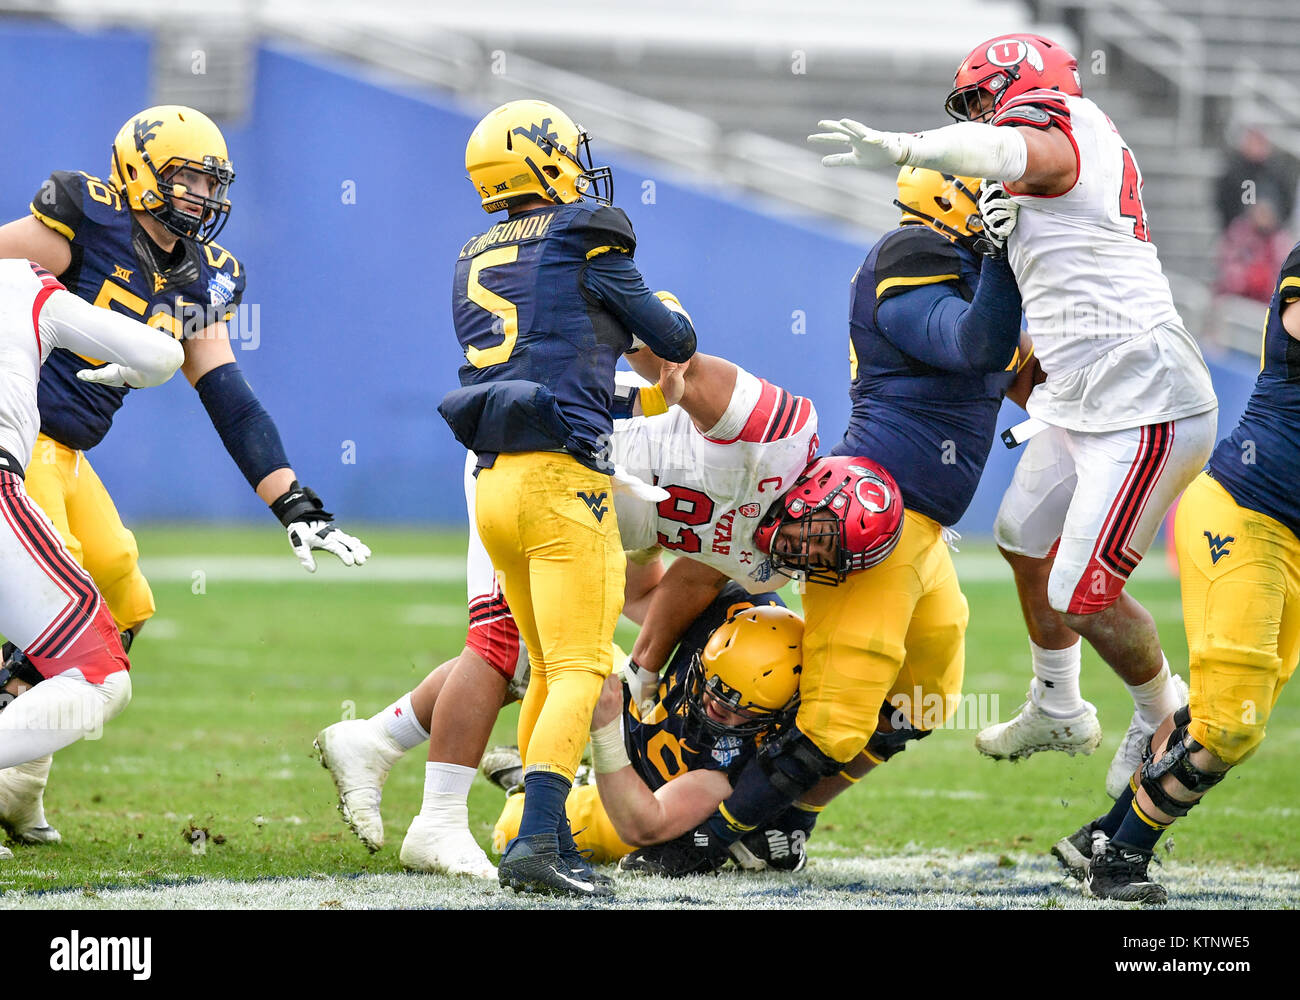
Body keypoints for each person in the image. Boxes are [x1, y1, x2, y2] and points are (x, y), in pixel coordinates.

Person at [804, 33, 1218, 796]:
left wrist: (905, 144)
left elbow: (1008, 161)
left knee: (1076, 592)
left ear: (1024, 84)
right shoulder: (976, 227)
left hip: (1141, 397)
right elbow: (1004, 349)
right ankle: (1057, 700)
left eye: (981, 102)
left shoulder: (1066, 126)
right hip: (1088, 395)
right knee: (1021, 533)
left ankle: (1167, 712)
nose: (982, 121)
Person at [627, 166, 1032, 877]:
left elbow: (1026, 371)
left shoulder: (969, 270)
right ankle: (703, 839)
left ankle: (788, 817)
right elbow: (976, 346)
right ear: (952, 196)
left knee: (925, 694)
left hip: (922, 525)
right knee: (835, 722)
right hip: (873, 520)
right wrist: (1005, 259)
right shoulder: (913, 255)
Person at [0, 105, 370, 842]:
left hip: (68, 452)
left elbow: (229, 395)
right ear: (138, 172)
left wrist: (292, 500)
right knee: (60, 600)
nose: (203, 196)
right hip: (21, 438)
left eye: (211, 182)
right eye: (188, 179)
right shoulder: (84, 217)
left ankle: (18, 783)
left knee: (125, 595)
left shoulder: (207, 276)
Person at [317, 349, 818, 878]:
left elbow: (645, 591)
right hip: (539, 457)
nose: (812, 555)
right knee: (507, 649)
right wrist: (639, 332)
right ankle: (434, 816)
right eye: (816, 542)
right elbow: (678, 363)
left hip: (589, 512)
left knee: (545, 663)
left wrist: (644, 556)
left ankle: (377, 742)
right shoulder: (774, 438)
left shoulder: (770, 566)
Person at [437, 99, 696, 898]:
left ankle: (535, 834)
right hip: (562, 482)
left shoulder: (476, 249)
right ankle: (537, 850)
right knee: (583, 665)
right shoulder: (585, 232)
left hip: (493, 484)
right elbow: (674, 340)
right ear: (543, 159)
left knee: (548, 664)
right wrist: (666, 321)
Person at [1052, 243, 1300, 904]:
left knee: (1232, 717)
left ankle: (1100, 837)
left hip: (1291, 537)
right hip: (1247, 514)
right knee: (1232, 726)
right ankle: (1120, 859)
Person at [0, 255, 184, 856]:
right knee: (99, 678)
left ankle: (22, 789)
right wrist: (129, 367)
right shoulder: (23, 282)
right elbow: (164, 356)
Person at [489, 601, 813, 872]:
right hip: (637, 711)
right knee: (532, 653)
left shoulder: (750, 759)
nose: (714, 705)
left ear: (777, 714)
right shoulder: (729, 612)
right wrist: (640, 667)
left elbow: (644, 823)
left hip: (642, 793)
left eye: (737, 704)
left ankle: (557, 775)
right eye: (713, 685)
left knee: (509, 829)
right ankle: (560, 759)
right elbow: (643, 590)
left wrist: (604, 734)